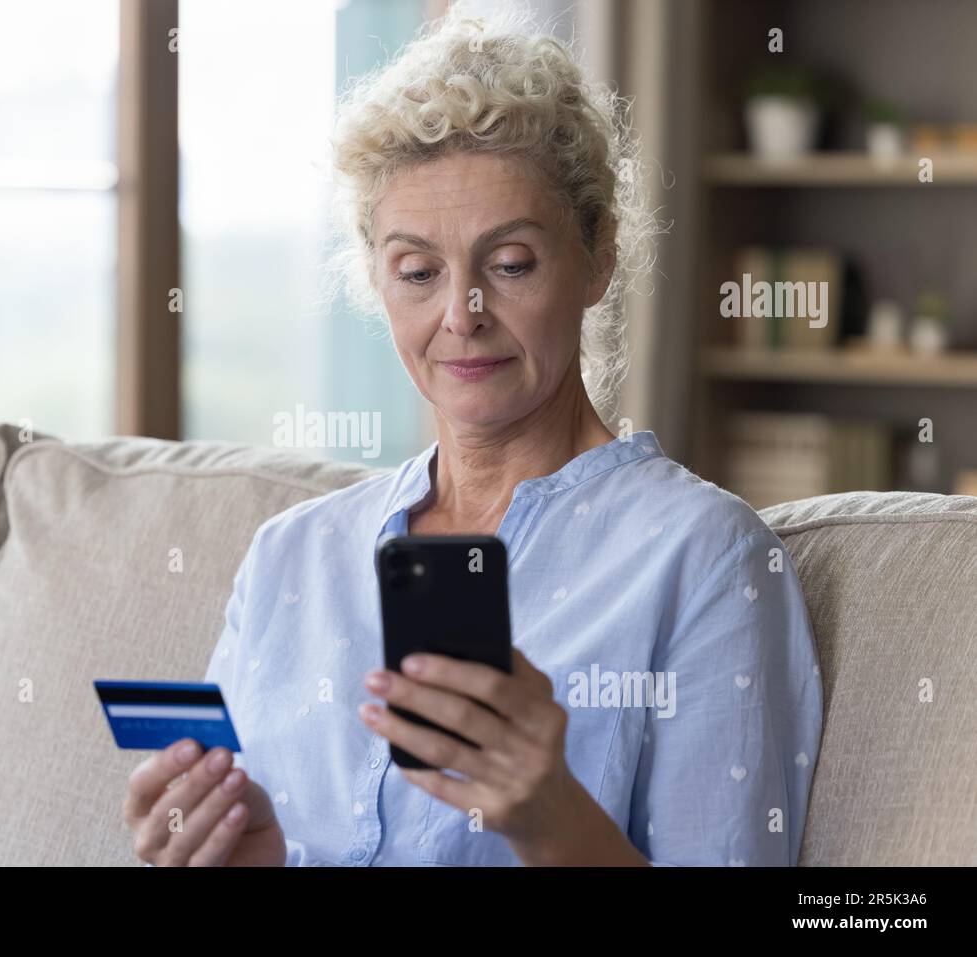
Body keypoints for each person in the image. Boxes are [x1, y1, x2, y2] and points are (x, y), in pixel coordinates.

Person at [122, 1, 822, 866]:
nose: (462, 314)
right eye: (418, 271)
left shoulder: (704, 557)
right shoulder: (288, 558)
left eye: (511, 263)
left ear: (597, 255)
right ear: (377, 281)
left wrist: (551, 816)